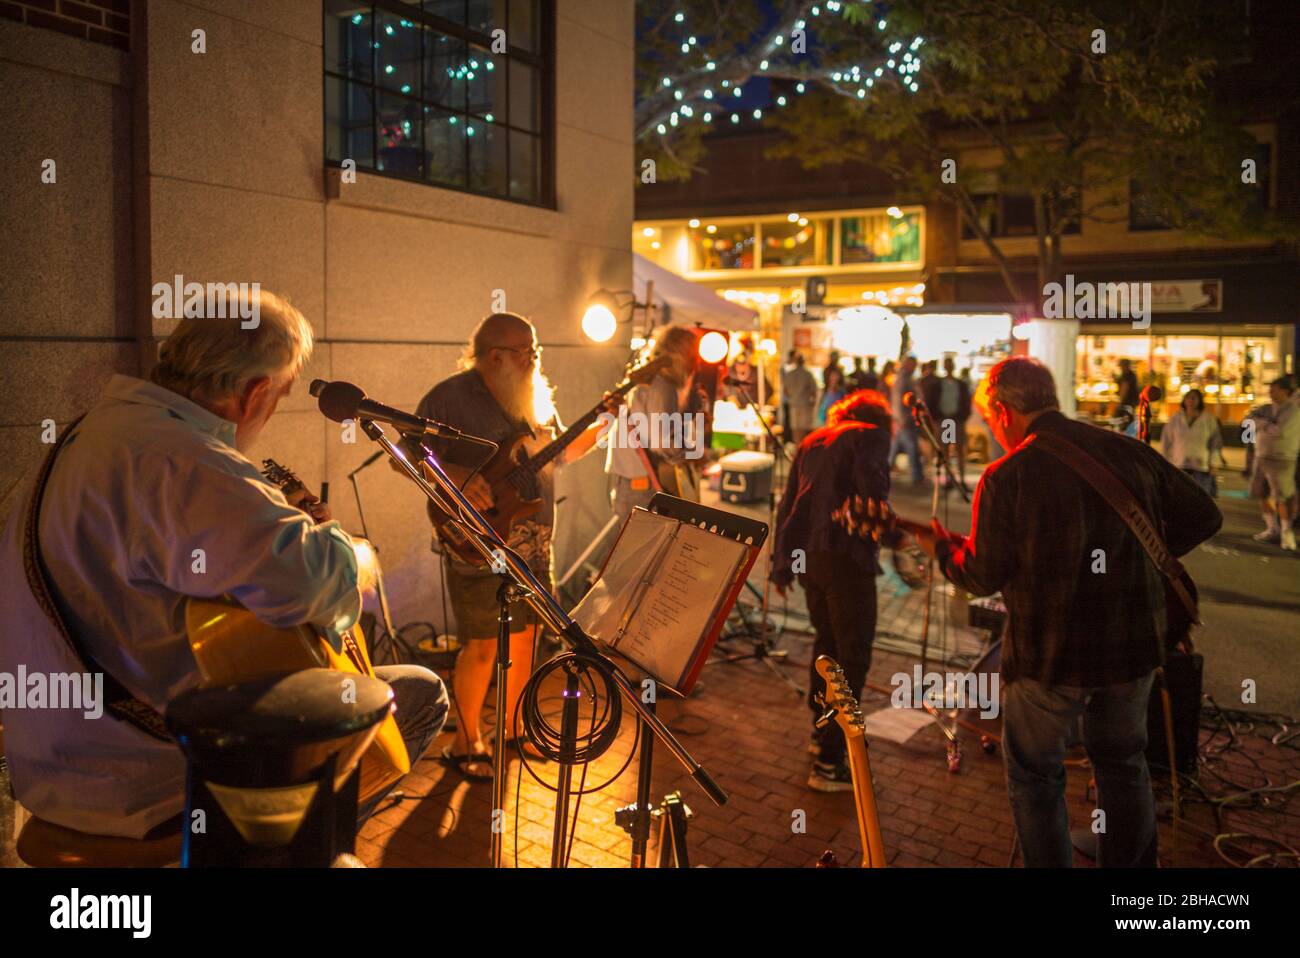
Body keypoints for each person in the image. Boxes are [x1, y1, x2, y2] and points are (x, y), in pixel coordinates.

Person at [0, 290, 448, 839]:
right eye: (281, 395)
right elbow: (318, 584)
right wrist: (343, 545)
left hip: (52, 762)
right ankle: (289, 850)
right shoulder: (181, 459)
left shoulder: (85, 436)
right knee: (419, 693)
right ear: (256, 392)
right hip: (147, 778)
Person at [859, 357, 1221, 866]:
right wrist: (1134, 560)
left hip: (1052, 655)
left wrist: (939, 547)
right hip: (1133, 646)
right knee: (1123, 762)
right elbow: (1205, 514)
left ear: (1004, 411)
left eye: (988, 417)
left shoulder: (1008, 475)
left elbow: (981, 575)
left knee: (1036, 775)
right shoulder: (1126, 450)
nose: (989, 426)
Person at [410, 312, 607, 779]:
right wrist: (455, 475)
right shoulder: (449, 397)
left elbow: (559, 453)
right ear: (494, 355)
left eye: (535, 350)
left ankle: (515, 729)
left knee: (528, 637)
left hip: (535, 539)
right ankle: (467, 739)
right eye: (526, 351)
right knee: (481, 645)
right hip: (476, 538)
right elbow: (408, 454)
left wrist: (603, 426)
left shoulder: (534, 394)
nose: (534, 359)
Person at [770, 390, 893, 791]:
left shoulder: (812, 439)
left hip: (809, 559)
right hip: (844, 559)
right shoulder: (870, 436)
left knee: (827, 650)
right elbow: (871, 502)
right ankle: (830, 761)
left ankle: (820, 734)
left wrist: (780, 565)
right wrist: (896, 533)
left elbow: (787, 503)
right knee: (852, 656)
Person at [606, 324, 702, 521]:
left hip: (629, 485)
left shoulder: (645, 381)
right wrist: (692, 455)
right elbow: (665, 443)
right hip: (644, 490)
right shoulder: (663, 386)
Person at [1246, 377, 1299, 551]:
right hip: (1262, 454)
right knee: (1260, 492)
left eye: (1274, 389)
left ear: (1285, 391)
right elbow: (1249, 423)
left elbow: (1279, 431)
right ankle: (1271, 528)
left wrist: (1262, 424)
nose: (1271, 392)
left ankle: (1286, 532)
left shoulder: (1293, 410)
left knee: (1282, 496)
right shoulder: (1266, 408)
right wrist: (1263, 424)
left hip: (1282, 457)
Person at [1161, 388, 1222, 497]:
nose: (1191, 401)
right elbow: (1166, 441)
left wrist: (1214, 463)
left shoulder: (1208, 419)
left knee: (1200, 498)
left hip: (1201, 466)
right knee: (1180, 497)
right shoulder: (1176, 419)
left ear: (1200, 401)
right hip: (1179, 464)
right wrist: (1166, 461)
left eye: (1194, 398)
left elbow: (1216, 443)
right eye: (1188, 398)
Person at [932, 357, 972, 489]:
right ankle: (950, 479)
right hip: (946, 419)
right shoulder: (940, 384)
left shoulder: (959, 384)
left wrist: (963, 416)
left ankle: (961, 479)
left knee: (959, 449)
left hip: (956, 419)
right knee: (946, 450)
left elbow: (965, 402)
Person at [888, 355, 925, 484]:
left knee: (895, 448)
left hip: (900, 420)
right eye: (913, 365)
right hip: (905, 421)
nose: (915, 368)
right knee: (912, 447)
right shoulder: (904, 379)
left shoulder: (901, 377)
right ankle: (917, 475)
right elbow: (899, 400)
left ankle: (885, 472)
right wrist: (902, 419)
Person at [781, 351, 818, 447]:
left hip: (794, 404)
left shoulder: (791, 374)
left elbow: (785, 390)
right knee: (802, 429)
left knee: (795, 429)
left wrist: (793, 397)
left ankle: (798, 449)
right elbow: (814, 391)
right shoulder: (808, 374)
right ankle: (800, 449)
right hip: (804, 405)